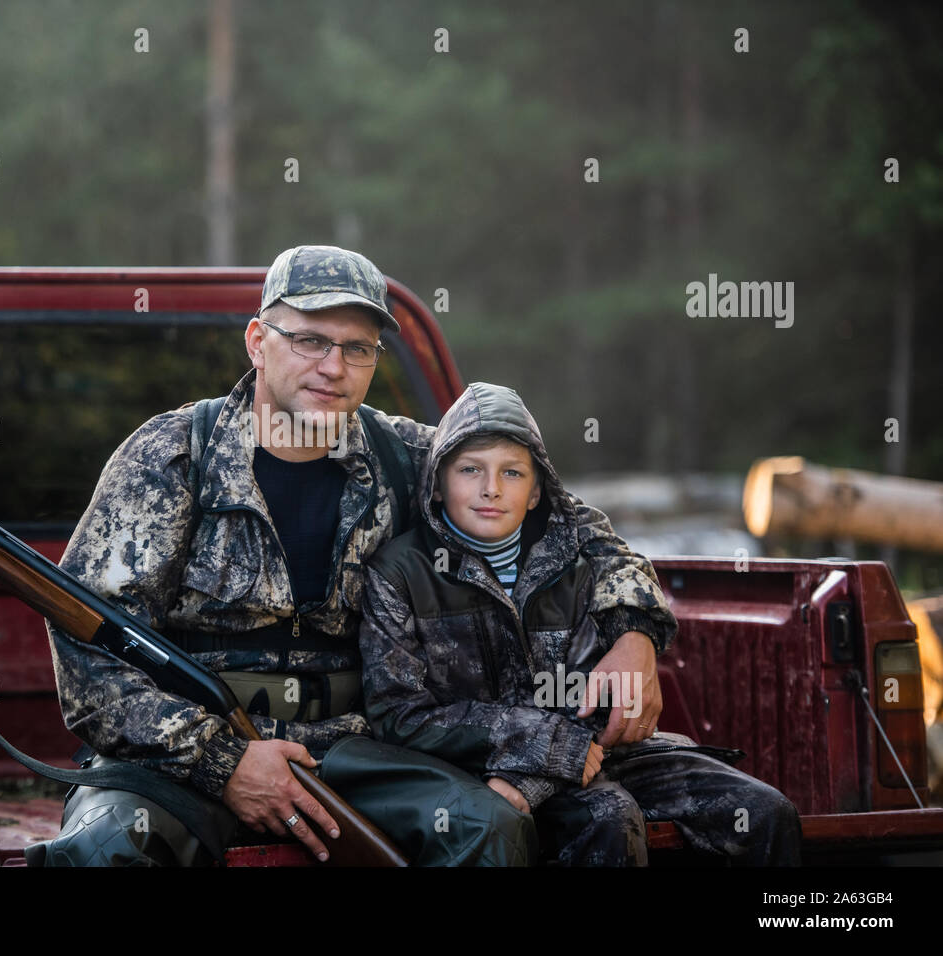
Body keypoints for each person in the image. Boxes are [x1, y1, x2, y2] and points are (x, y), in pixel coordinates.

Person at [37, 244, 677, 866]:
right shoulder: (174, 456)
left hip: (354, 746)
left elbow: (574, 528)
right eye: (310, 340)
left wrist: (634, 633)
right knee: (109, 847)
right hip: (181, 749)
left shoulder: (411, 457)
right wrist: (223, 763)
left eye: (358, 349)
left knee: (487, 827)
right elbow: (89, 649)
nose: (333, 367)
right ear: (259, 341)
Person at [358, 380, 802, 864]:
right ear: (438, 484)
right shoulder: (398, 572)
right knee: (607, 819)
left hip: (600, 753)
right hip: (478, 769)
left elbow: (603, 694)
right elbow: (398, 715)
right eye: (470, 470)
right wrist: (540, 748)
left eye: (512, 472)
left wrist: (545, 767)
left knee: (763, 811)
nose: (491, 488)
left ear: (535, 492)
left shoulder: (577, 557)